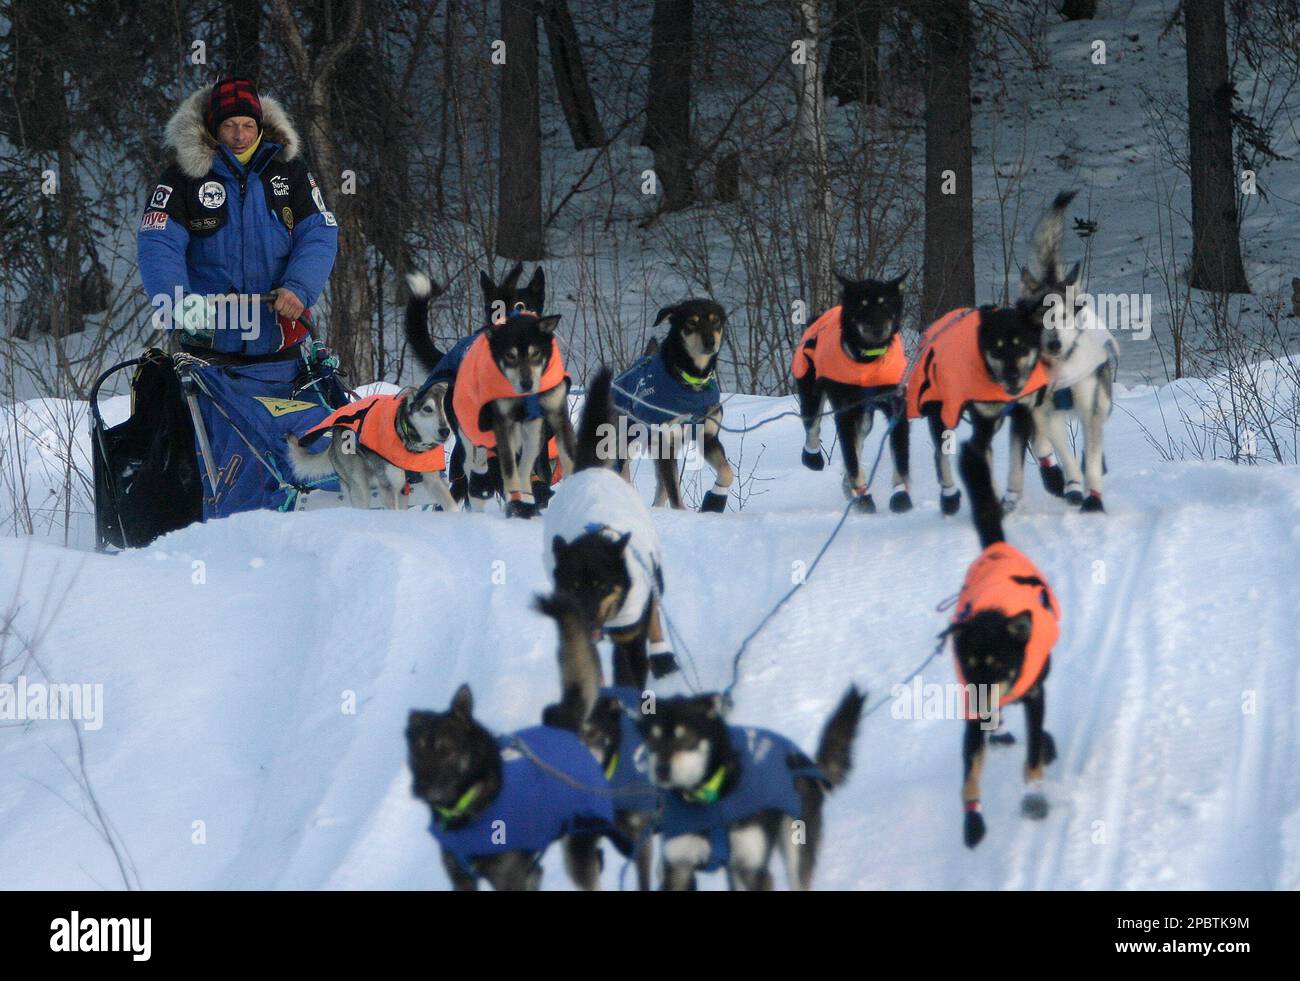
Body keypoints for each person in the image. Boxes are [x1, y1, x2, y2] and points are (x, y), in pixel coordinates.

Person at [137, 77, 338, 360]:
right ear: (213, 127)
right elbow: (158, 243)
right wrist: (176, 301)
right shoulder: (181, 178)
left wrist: (298, 288)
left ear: (259, 126)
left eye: (247, 125)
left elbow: (319, 233)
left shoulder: (289, 171)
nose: (239, 136)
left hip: (279, 339)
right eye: (229, 125)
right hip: (207, 342)